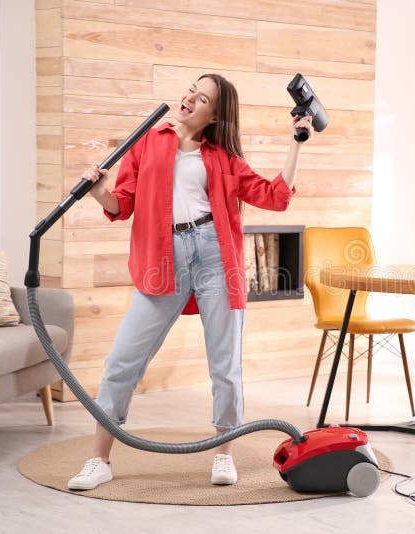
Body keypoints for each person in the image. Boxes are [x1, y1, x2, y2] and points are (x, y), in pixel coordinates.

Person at [67, 73, 314, 490]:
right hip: (163, 256)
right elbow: (121, 204)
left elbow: (273, 196)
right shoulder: (148, 139)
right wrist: (99, 192)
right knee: (122, 361)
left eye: (202, 99)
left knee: (225, 364)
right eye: (191, 91)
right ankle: (99, 460)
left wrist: (296, 143)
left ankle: (223, 453)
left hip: (216, 253)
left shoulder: (222, 157)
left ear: (214, 115)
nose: (189, 99)